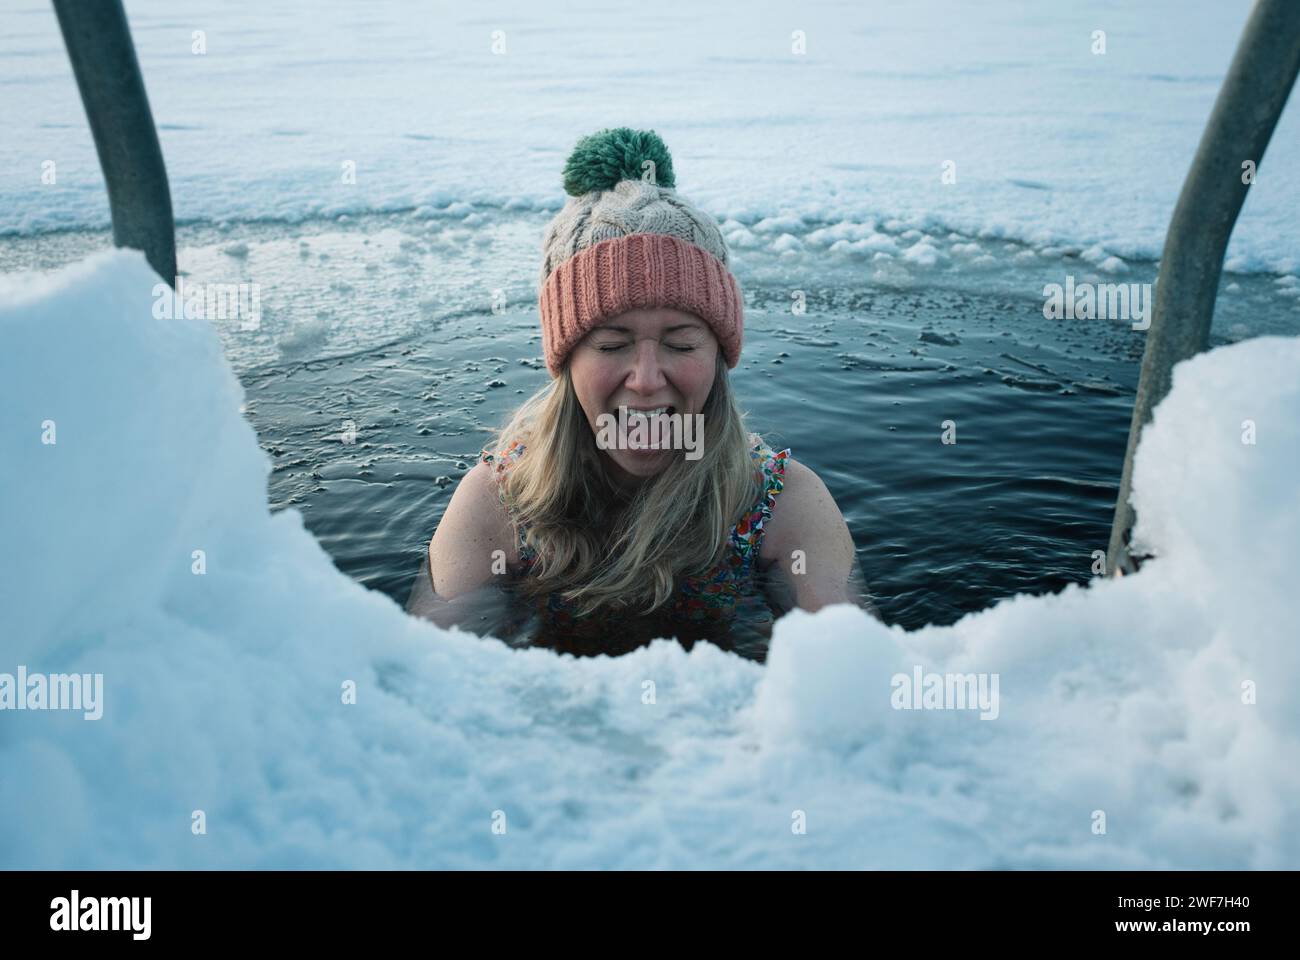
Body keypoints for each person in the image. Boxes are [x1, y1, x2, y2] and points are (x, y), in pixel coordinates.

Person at [413, 128, 877, 647]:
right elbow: (433, 681)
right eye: (612, 345)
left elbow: (852, 679)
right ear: (566, 361)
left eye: (681, 344)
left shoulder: (781, 502)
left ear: (719, 354)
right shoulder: (497, 504)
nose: (648, 380)